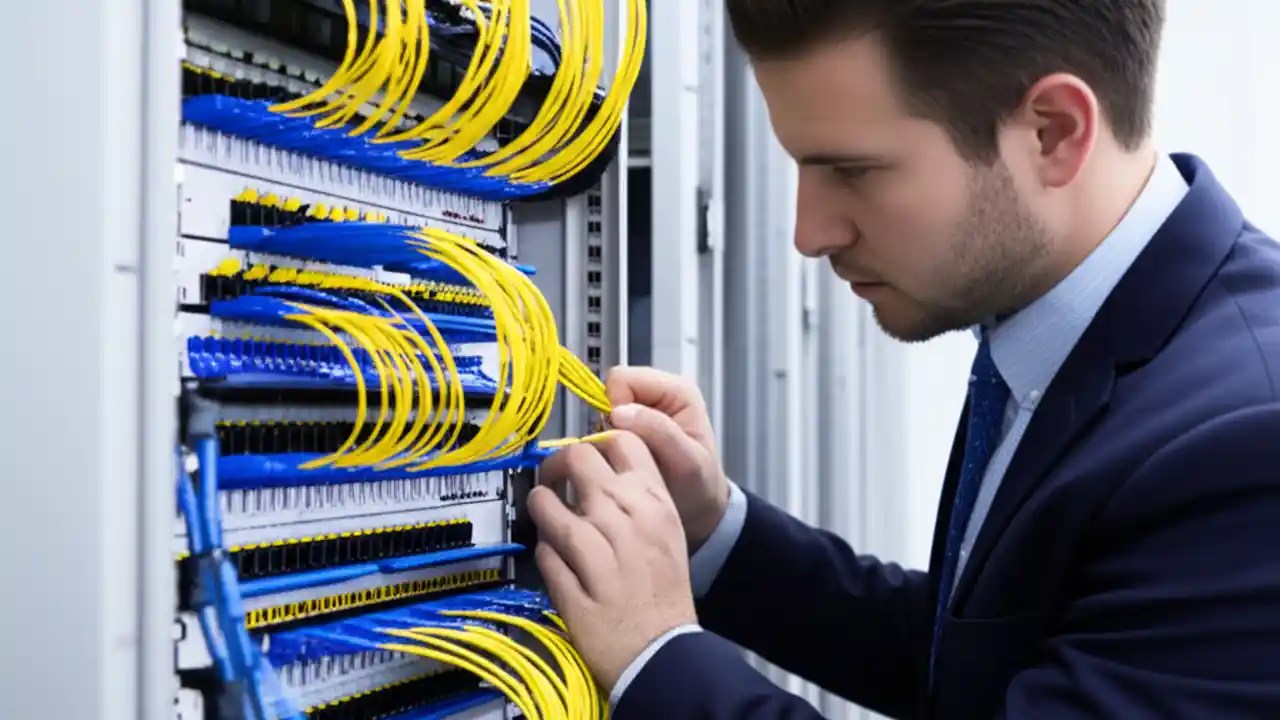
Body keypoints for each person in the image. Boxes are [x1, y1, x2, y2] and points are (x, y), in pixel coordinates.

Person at [527, 0, 1280, 717]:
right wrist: (713, 531)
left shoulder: (1246, 448)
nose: (809, 233)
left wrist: (655, 657)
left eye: (853, 171)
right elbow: (980, 662)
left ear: (1052, 132)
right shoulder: (1076, 326)